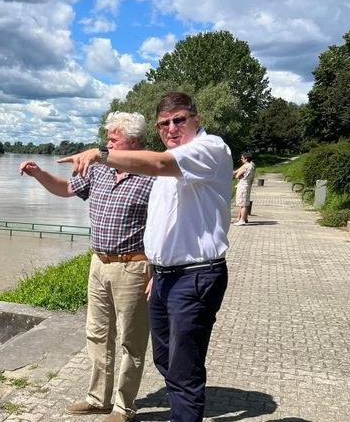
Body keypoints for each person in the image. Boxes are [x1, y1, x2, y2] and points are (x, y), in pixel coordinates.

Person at [58, 92, 232, 422]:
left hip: (195, 275)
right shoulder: (170, 160)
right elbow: (161, 223)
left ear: (197, 119)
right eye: (164, 123)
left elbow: (156, 163)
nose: (172, 127)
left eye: (179, 119)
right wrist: (155, 268)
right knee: (166, 361)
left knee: (184, 369)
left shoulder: (208, 149)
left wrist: (99, 153)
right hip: (165, 276)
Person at [19, 112, 154, 422]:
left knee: (131, 341)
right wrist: (39, 173)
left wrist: (157, 271)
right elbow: (66, 188)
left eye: (113, 139)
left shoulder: (153, 176)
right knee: (97, 334)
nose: (106, 144)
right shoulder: (99, 170)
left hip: (134, 267)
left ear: (132, 142)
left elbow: (166, 227)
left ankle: (123, 407)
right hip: (98, 262)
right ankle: (98, 399)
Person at [232, 152, 256, 225]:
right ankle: (243, 218)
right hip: (247, 184)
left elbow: (237, 175)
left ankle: (242, 220)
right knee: (244, 203)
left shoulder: (246, 166)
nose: (241, 159)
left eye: (242, 158)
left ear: (246, 159)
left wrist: (238, 175)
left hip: (242, 185)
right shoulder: (252, 165)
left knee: (243, 204)